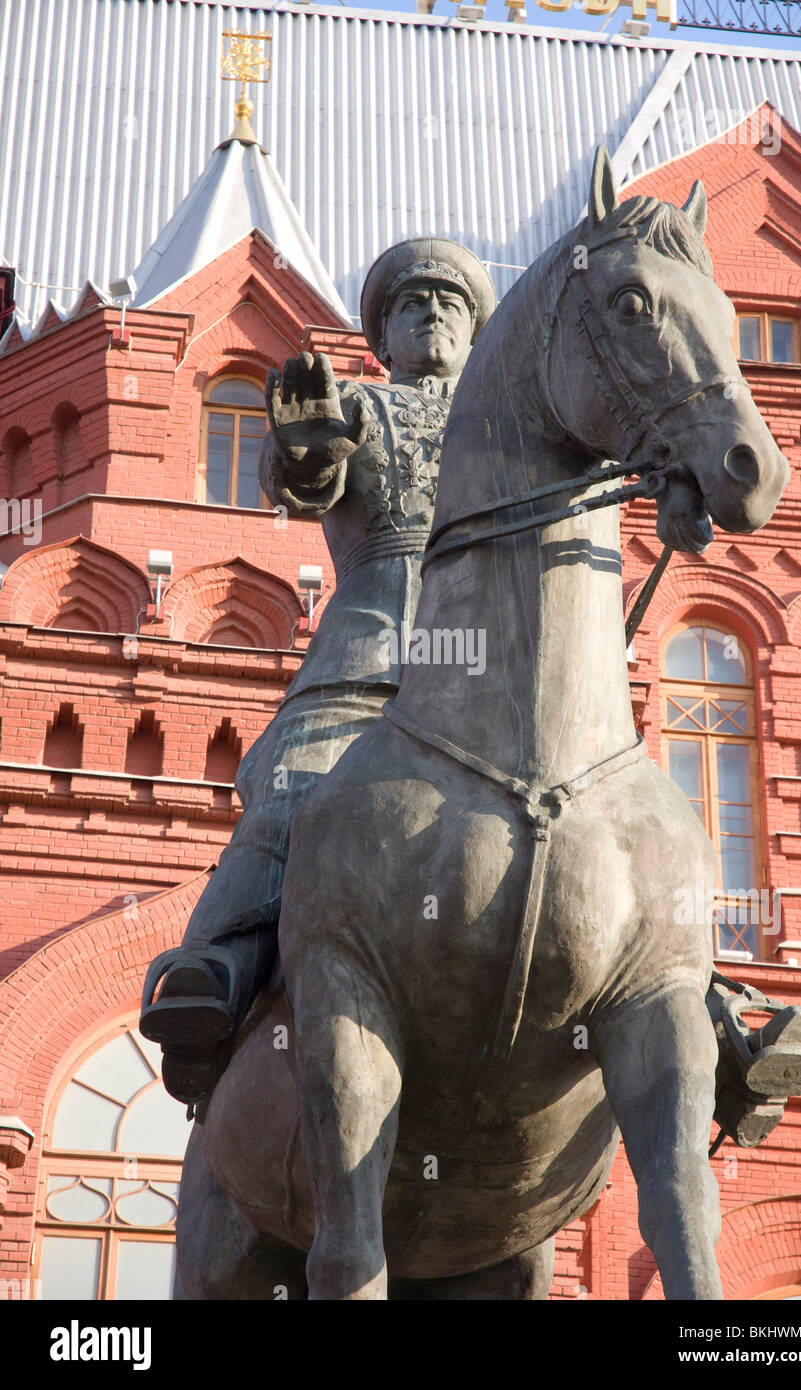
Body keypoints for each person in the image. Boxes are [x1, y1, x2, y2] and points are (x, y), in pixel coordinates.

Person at [140, 238, 497, 1105]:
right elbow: (301, 475)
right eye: (413, 305)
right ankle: (213, 973)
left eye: (450, 304)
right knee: (294, 790)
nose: (433, 315)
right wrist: (304, 445)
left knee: (613, 793)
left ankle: (708, 1013)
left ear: (475, 330)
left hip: (501, 663)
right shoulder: (360, 407)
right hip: (372, 653)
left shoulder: (512, 423)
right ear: (386, 335)